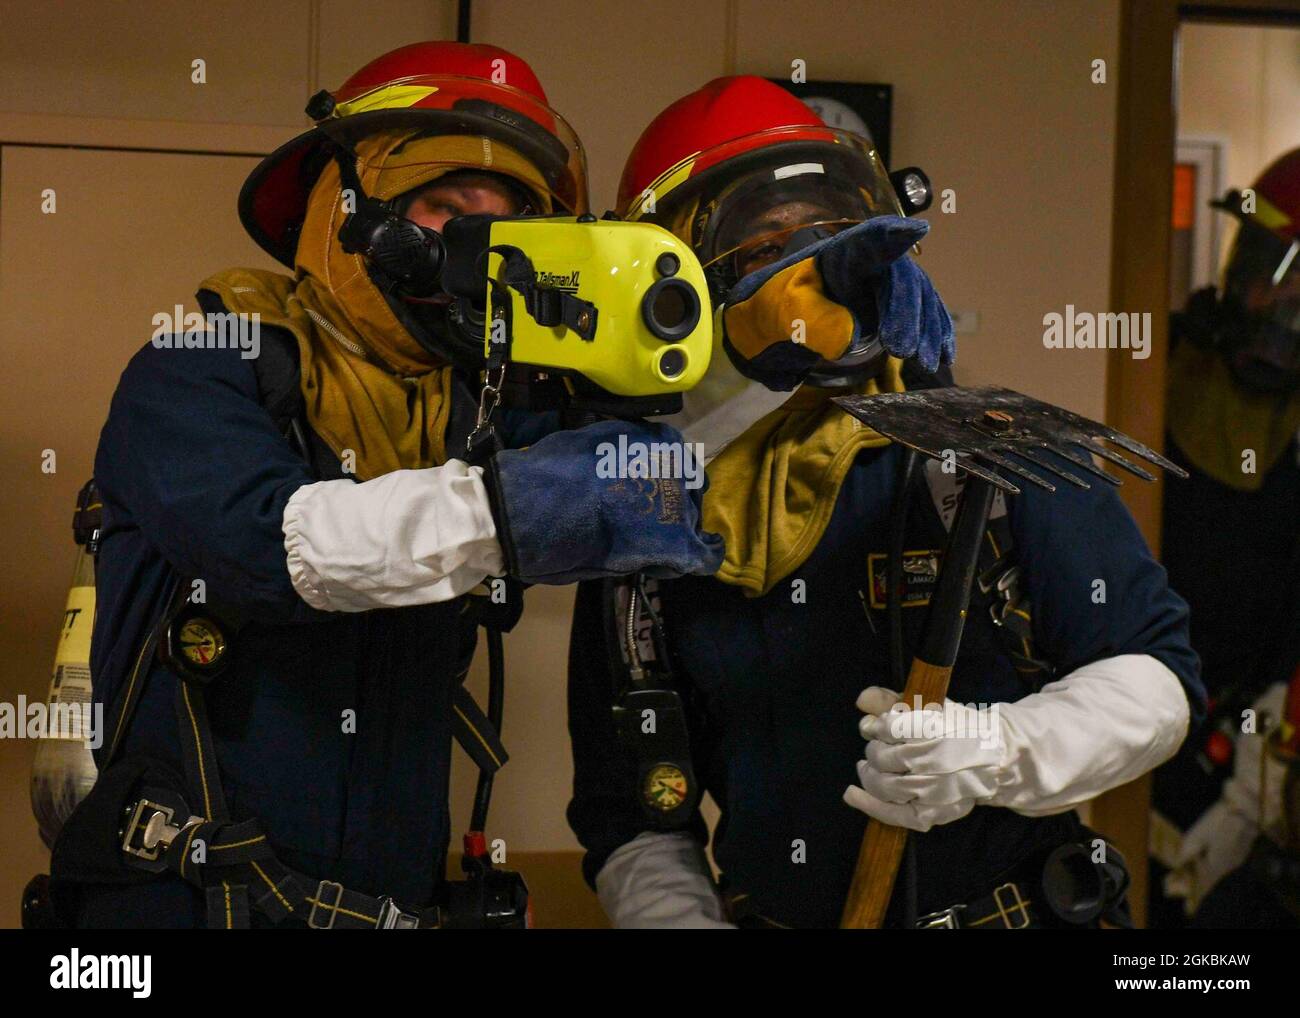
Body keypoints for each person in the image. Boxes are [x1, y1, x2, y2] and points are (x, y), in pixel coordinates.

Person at [46, 40, 721, 929]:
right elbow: (275, 547)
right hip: (177, 904)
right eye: (445, 208)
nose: (476, 249)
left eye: (505, 223)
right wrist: (521, 506)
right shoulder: (198, 366)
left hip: (391, 907)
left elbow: (687, 472)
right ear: (347, 215)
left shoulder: (474, 410)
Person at [566, 76, 1205, 929]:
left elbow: (1159, 682)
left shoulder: (988, 453)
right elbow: (634, 821)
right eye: (762, 250)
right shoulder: (640, 525)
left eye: (828, 235)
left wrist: (996, 751)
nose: (812, 274)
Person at [1154, 148, 1300, 927]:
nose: (1271, 296)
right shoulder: (1156, 361)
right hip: (1137, 702)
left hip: (1247, 736)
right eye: (1262, 265)